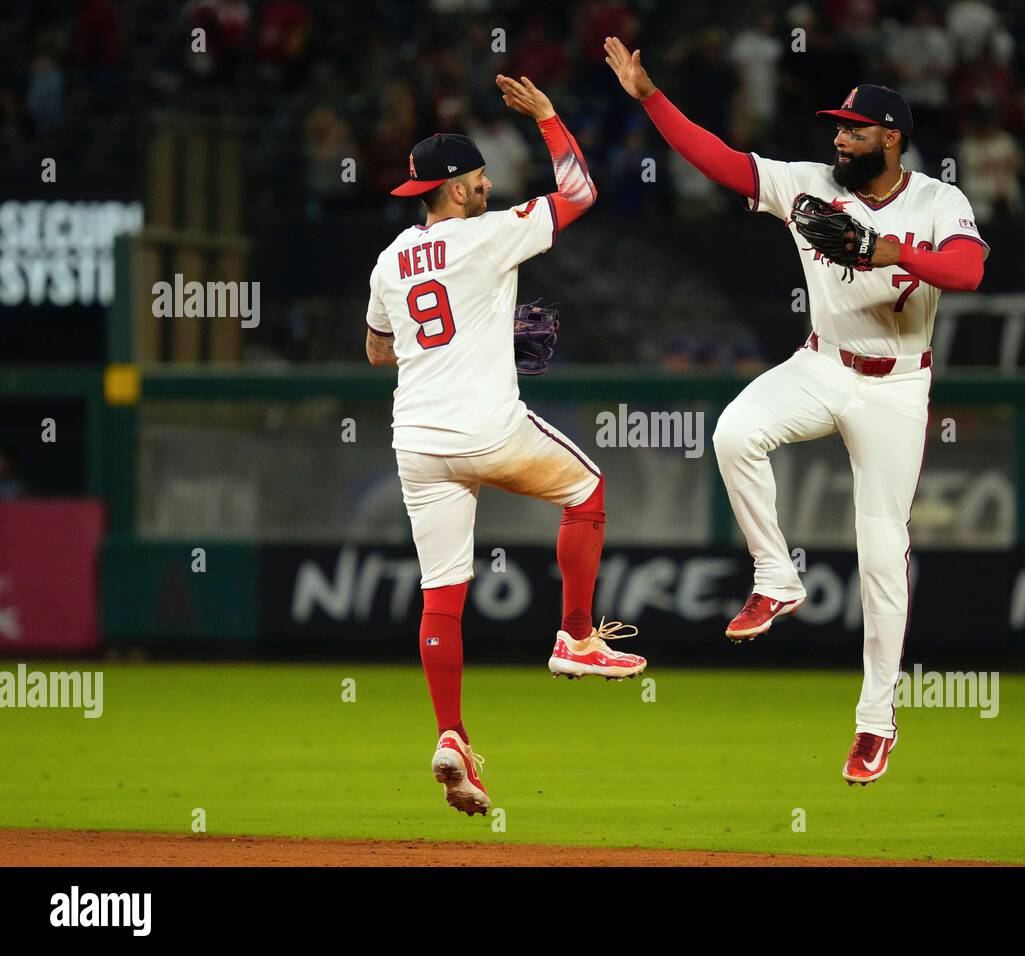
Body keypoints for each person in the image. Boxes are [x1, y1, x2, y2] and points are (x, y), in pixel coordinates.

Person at [604, 37, 988, 786]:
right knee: (734, 432)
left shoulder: (940, 200)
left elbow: (969, 271)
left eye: (854, 128)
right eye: (837, 126)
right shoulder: (810, 185)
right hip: (822, 362)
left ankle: (875, 724)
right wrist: (650, 95)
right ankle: (776, 579)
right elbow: (719, 160)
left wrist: (886, 250)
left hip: (897, 386)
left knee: (883, 557)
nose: (839, 137)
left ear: (892, 138)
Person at [364, 74, 647, 816]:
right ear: (455, 189)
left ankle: (451, 736)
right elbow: (580, 191)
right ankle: (577, 636)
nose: (489, 183)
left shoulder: (390, 259)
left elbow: (376, 351)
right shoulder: (489, 235)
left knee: (442, 595)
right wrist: (551, 116)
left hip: (418, 444)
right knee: (587, 489)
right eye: (481, 175)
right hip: (487, 427)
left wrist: (468, 335)